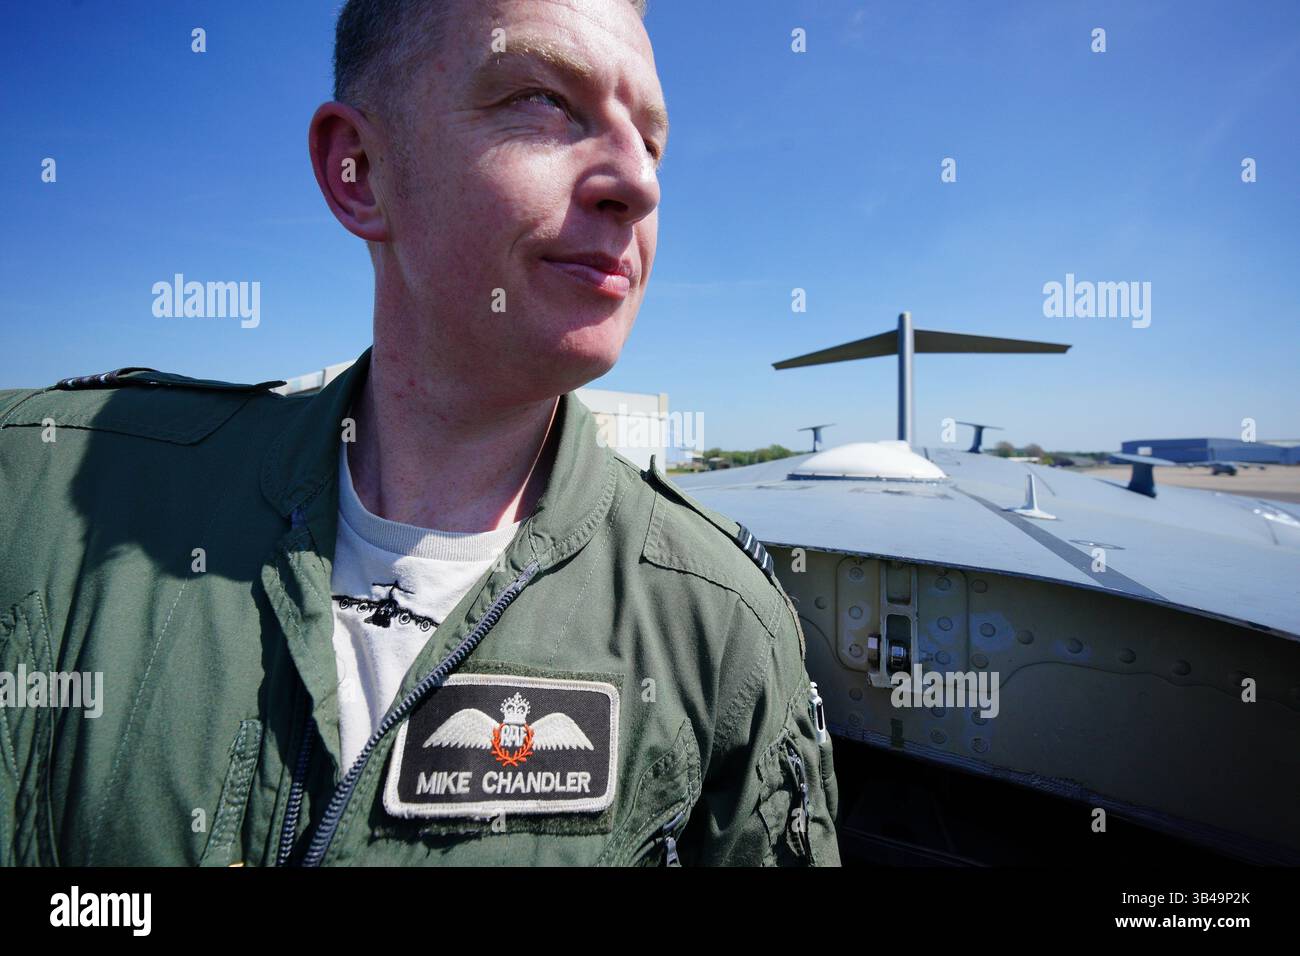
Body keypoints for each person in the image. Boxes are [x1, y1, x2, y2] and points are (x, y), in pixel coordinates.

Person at [0, 0, 839, 866]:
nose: (639, 181)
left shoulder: (721, 622)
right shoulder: (42, 498)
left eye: (652, 140)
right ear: (359, 169)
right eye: (546, 100)